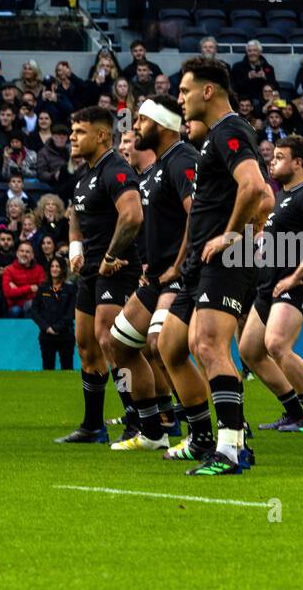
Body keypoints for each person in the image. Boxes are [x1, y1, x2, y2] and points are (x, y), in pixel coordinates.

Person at [159, 58, 273, 475]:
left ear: (208, 91)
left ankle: (231, 448)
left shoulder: (229, 130)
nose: (181, 99)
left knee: (208, 346)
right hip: (200, 263)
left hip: (226, 258)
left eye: (185, 91)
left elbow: (257, 188)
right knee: (171, 346)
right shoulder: (213, 138)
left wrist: (231, 234)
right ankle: (206, 437)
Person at [100, 97, 195, 451]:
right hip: (155, 277)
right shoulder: (156, 169)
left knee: (161, 345)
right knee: (118, 343)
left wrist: (179, 264)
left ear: (163, 124)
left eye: (141, 120)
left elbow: (195, 214)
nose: (134, 126)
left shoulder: (183, 158)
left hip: (178, 276)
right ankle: (153, 431)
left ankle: (199, 433)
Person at [54, 106, 144, 444]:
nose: (72, 138)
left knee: (112, 344)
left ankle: (137, 418)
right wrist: (75, 249)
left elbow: (132, 215)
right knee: (87, 345)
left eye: (79, 132)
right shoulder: (84, 176)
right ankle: (93, 425)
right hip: (91, 271)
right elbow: (75, 217)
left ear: (102, 135)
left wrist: (111, 255)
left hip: (117, 270)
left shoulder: (116, 169)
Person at [238, 134, 303, 433]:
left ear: (299, 162)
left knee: (277, 344)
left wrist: (295, 277)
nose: (272, 161)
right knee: (250, 351)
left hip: (297, 284)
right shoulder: (283, 196)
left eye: (279, 157)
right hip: (270, 285)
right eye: (273, 156)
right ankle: (294, 411)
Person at [34, 256, 77, 369]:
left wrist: (57, 328)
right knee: (47, 369)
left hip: (66, 335)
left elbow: (71, 312)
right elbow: (34, 311)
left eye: (57, 266)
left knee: (67, 369)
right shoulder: (43, 288)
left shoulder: (71, 289)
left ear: (63, 269)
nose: (54, 269)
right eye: (52, 266)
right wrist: (47, 328)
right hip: (46, 335)